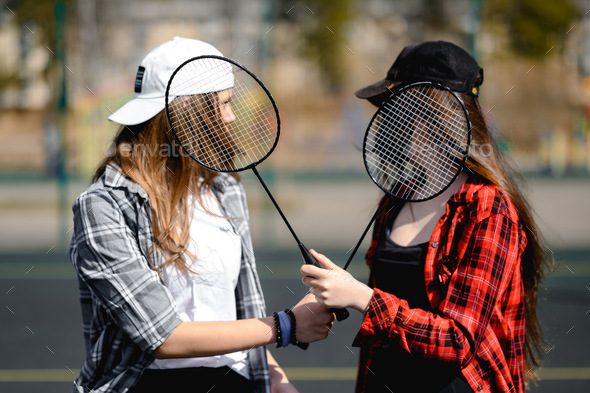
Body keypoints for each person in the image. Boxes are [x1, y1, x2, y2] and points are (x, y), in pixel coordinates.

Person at [70, 36, 334, 393]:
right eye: (224, 103)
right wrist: (286, 325)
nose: (232, 116)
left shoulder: (225, 190)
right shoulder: (103, 205)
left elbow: (237, 315)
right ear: (187, 114)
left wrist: (277, 382)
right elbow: (163, 337)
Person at [301, 41, 549, 393]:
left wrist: (361, 297)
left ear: (425, 117)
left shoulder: (488, 208)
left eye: (392, 107)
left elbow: (458, 340)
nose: (386, 122)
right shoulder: (395, 199)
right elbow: (382, 329)